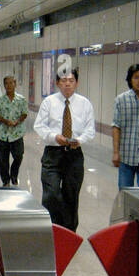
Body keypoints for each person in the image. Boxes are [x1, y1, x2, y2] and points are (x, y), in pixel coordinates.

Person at [34, 68, 95, 232]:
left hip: (74, 154)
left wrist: (79, 140)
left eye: (71, 80)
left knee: (71, 195)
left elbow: (90, 130)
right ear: (57, 83)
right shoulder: (49, 102)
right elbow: (39, 126)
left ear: (76, 83)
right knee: (51, 194)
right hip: (53, 153)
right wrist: (55, 137)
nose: (67, 84)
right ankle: (51, 228)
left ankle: (69, 232)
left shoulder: (84, 104)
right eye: (63, 80)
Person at [0, 75, 29, 186]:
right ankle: (6, 180)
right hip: (3, 134)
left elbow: (24, 113)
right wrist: (5, 121)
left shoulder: (21, 99)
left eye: (11, 83)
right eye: (6, 83)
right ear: (4, 85)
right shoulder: (0, 100)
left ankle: (14, 175)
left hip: (17, 133)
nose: (9, 85)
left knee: (18, 155)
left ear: (15, 84)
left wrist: (17, 121)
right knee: (3, 160)